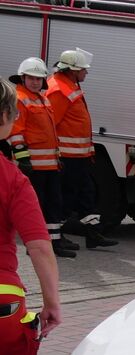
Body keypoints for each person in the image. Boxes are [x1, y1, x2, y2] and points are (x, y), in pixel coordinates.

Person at [0, 79, 61, 355]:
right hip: (2, 312)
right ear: (5, 120)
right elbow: (39, 246)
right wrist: (52, 302)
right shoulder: (12, 177)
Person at [46, 48, 117, 248]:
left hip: (79, 156)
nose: (86, 72)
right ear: (72, 70)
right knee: (66, 197)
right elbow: (51, 125)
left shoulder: (69, 85)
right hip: (67, 157)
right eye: (83, 69)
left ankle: (92, 233)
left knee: (87, 193)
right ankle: (55, 237)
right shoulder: (59, 90)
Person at [9, 57, 76, 258]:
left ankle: (53, 242)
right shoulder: (20, 98)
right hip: (35, 167)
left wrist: (57, 157)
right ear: (22, 78)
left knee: (54, 204)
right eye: (31, 78)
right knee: (37, 206)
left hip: (50, 165)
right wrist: (23, 159)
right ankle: (35, 245)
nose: (36, 82)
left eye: (39, 79)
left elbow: (50, 133)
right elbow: (16, 131)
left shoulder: (43, 98)